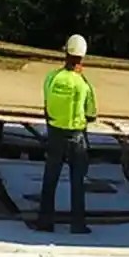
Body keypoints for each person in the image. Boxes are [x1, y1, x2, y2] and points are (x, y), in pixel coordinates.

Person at [33, 34, 97, 234]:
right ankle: (77, 224)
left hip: (54, 134)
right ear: (82, 57)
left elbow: (46, 106)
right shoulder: (84, 84)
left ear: (65, 52)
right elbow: (91, 114)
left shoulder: (51, 78)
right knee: (77, 181)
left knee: (50, 179)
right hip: (76, 137)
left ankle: (45, 222)